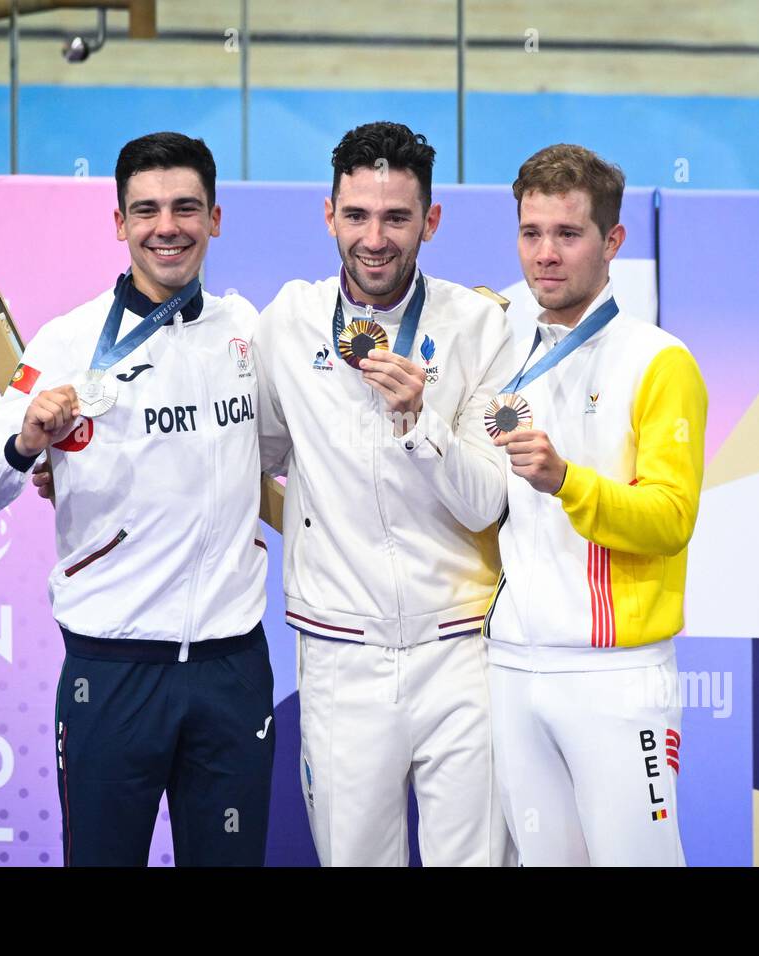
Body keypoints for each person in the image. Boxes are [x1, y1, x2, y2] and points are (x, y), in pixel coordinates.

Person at [0, 131, 274, 867]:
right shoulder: (67, 341)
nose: (168, 226)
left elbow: (292, 452)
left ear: (216, 218)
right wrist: (28, 441)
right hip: (111, 671)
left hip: (231, 671)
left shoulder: (249, 333)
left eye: (186, 208)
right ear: (120, 223)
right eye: (147, 210)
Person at [252, 122, 518, 866]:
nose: (376, 238)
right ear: (329, 213)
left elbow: (486, 503)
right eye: (358, 215)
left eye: (397, 217)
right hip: (339, 653)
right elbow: (254, 457)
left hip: (461, 649)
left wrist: (419, 423)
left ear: (430, 221)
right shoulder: (287, 322)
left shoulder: (479, 327)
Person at [486, 144, 708, 866]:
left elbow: (670, 520)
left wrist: (567, 481)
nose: (545, 255)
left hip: (615, 675)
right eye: (531, 232)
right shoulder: (503, 355)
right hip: (513, 667)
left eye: (568, 234)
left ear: (613, 241)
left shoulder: (657, 361)